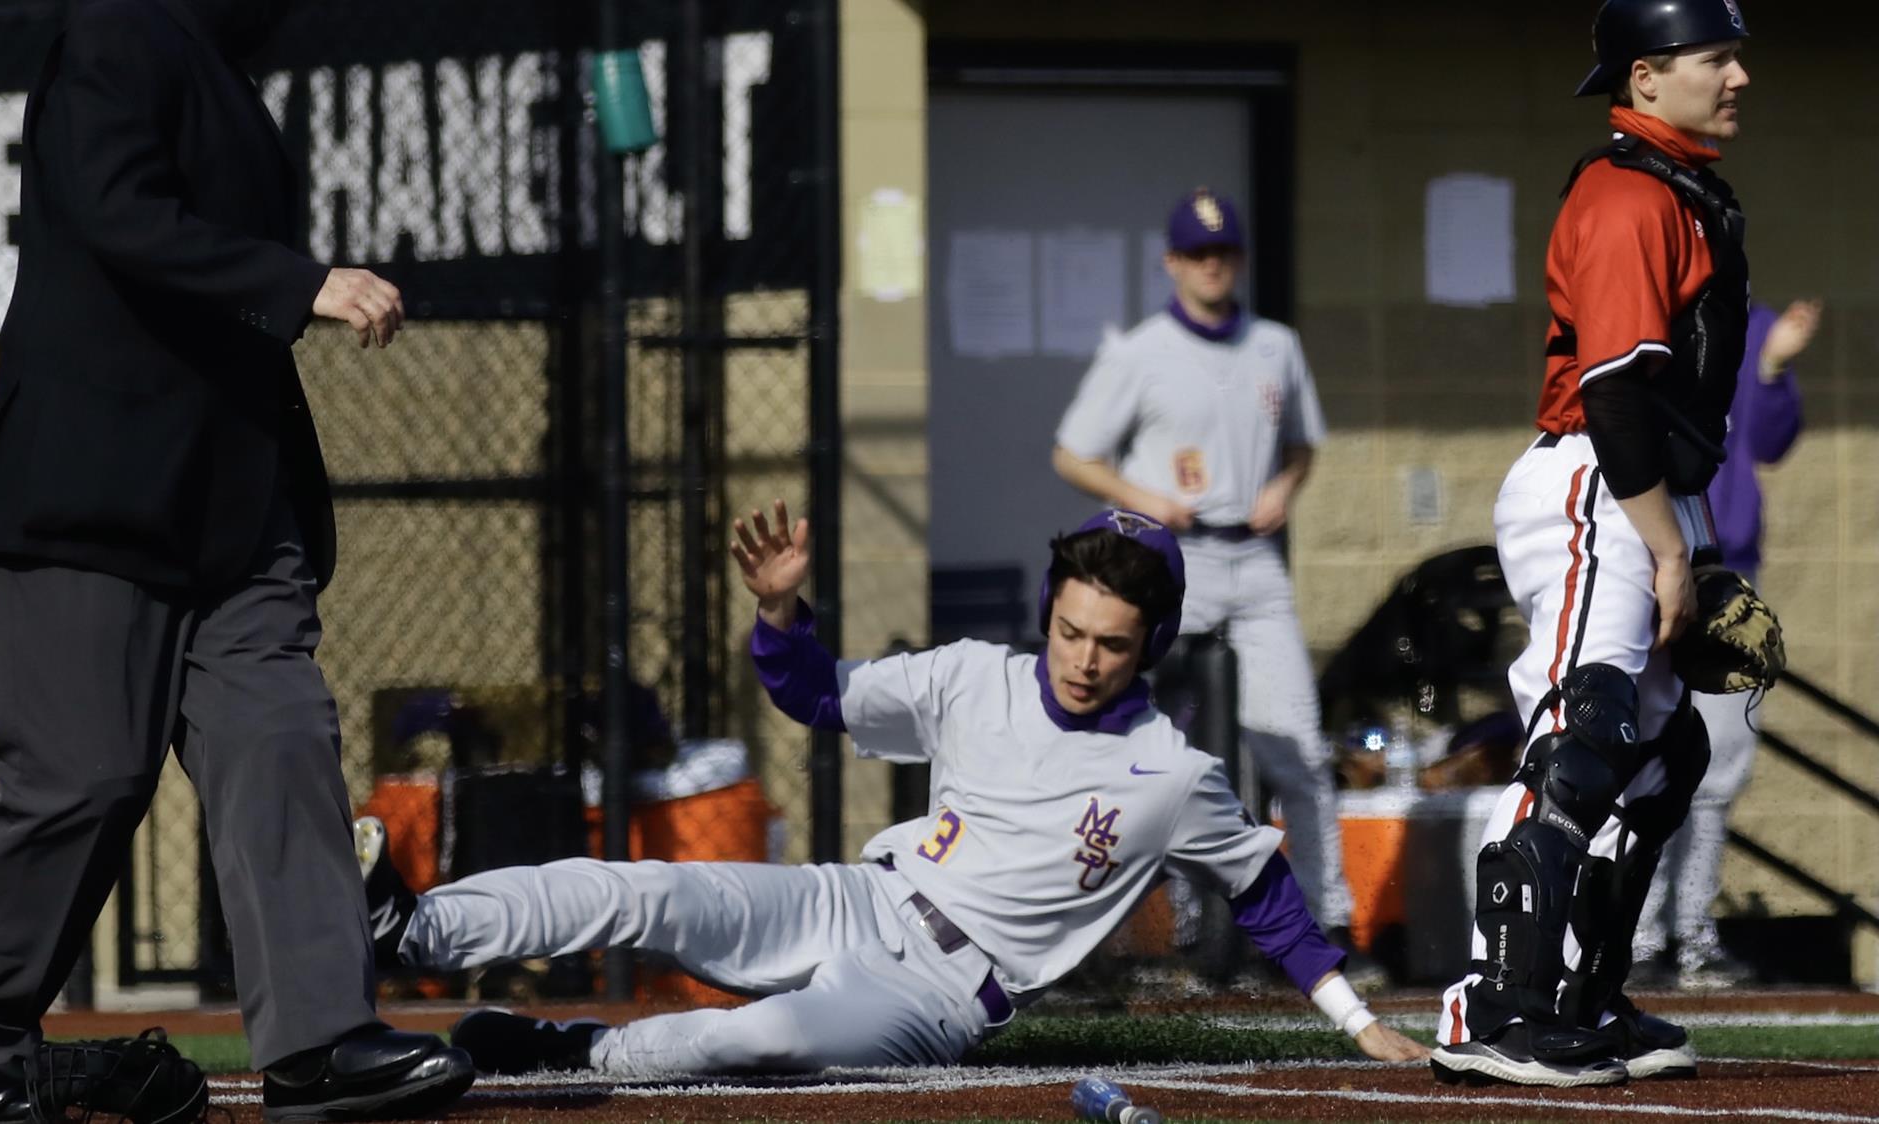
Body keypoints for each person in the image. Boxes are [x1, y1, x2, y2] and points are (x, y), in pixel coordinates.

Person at [0, 1, 473, 1120]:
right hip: (95, 491)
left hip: (235, 503)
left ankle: (319, 1042)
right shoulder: (117, 30)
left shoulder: (217, 69)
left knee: (278, 740)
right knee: (81, 778)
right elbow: (115, 209)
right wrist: (296, 280)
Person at [355, 503, 1427, 1076]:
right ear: (1047, 606)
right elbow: (816, 696)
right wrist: (781, 616)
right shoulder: (972, 672)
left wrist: (1349, 1015)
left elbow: (1261, 888)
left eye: (1110, 640)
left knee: (763, 1039)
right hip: (859, 894)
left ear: (1150, 645)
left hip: (937, 996)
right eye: (1067, 626)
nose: (1082, 655)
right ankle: (409, 926)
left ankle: (562, 1046)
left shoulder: (1175, 772)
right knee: (643, 887)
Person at [1429, 0, 1754, 1089]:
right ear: (1647, 76)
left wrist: (1682, 543)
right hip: (1593, 483)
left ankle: (1579, 994)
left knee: (1667, 759)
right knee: (1584, 728)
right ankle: (1490, 1001)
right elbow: (1612, 389)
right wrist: (1670, 548)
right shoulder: (1624, 193)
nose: (1737, 75)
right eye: (1716, 57)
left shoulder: (1682, 188)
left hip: (1641, 494)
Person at [1051, 189, 1363, 968]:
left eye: (1221, 253)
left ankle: (1327, 921)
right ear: (1171, 262)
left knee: (1296, 745)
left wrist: (1283, 491)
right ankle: (1183, 925)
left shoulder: (1275, 346)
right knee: (1166, 753)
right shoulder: (1141, 351)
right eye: (1196, 253)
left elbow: (1302, 445)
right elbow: (1073, 452)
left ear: (1241, 260)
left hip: (1252, 561)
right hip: (1168, 563)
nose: (1210, 266)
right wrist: (1142, 499)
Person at [1632, 299, 1815, 988]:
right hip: (1651, 553)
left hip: (1728, 562)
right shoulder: (1642, 313)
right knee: (1642, 752)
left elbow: (1770, 441)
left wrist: (1771, 365)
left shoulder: (1752, 321)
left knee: (1721, 763)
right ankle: (1637, 933)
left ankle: (1691, 932)